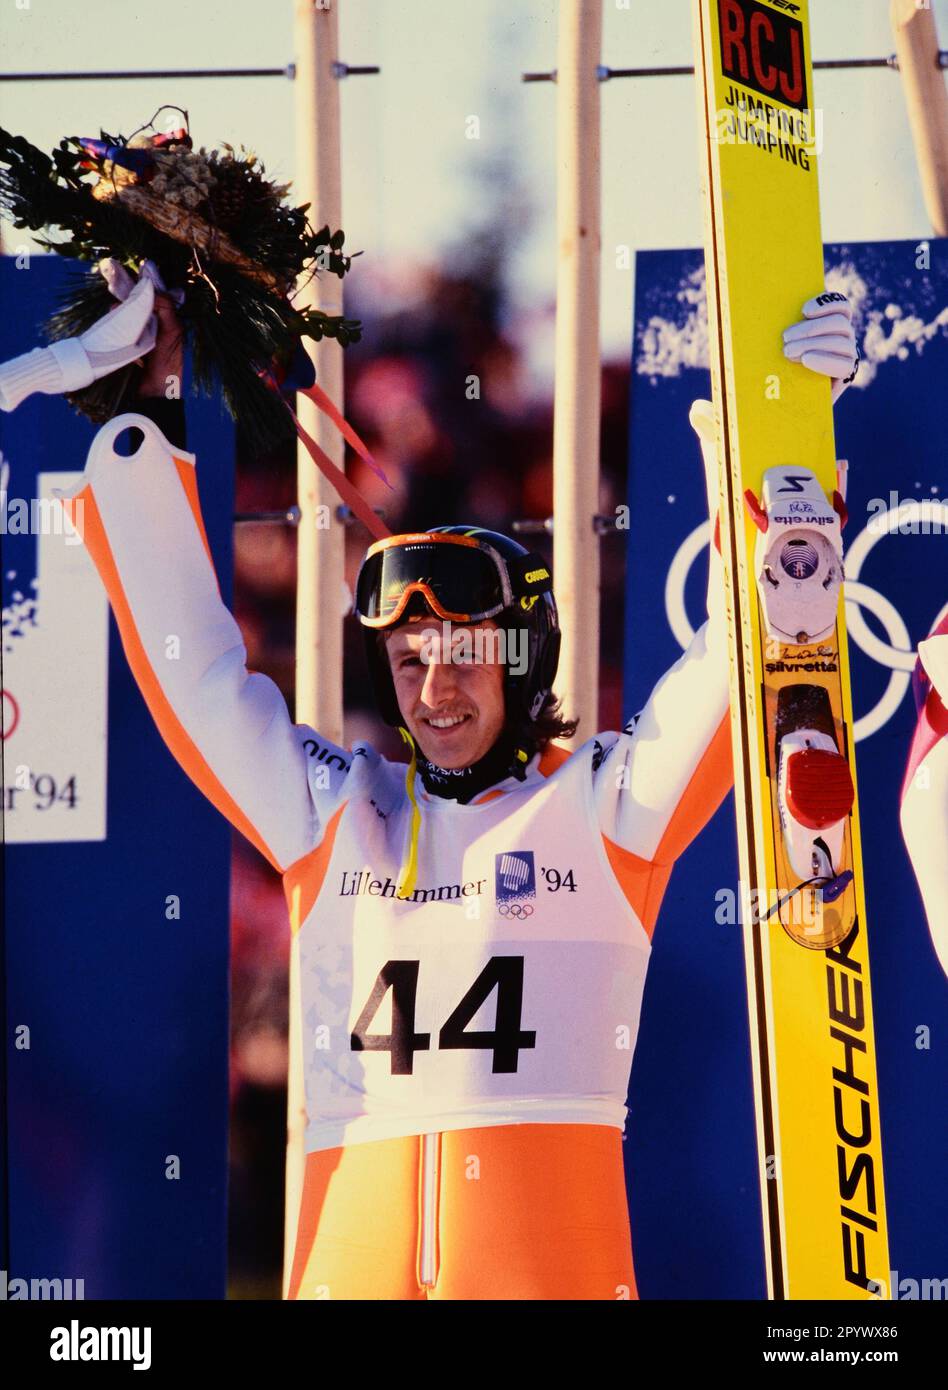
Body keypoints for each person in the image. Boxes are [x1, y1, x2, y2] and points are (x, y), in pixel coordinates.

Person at [2, 266, 858, 1299]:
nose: (436, 688)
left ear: (521, 662)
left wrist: (784, 444)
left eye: (463, 652)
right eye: (410, 660)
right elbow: (194, 673)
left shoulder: (600, 810)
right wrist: (142, 403)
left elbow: (747, 654)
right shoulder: (336, 813)